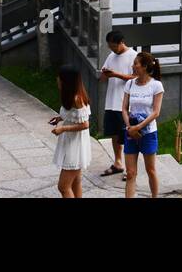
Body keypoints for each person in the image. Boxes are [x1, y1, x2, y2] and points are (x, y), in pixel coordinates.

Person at [121, 50, 164, 199]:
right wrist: (129, 127)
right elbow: (124, 108)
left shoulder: (156, 85)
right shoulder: (130, 83)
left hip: (149, 133)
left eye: (135, 64)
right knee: (131, 173)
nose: (133, 66)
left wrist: (138, 127)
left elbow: (156, 112)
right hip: (130, 132)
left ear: (144, 66)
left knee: (150, 170)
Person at [97, 30, 136, 180]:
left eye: (114, 46)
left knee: (127, 136)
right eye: (110, 46)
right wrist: (105, 74)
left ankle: (130, 168)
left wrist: (116, 75)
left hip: (125, 104)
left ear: (121, 42)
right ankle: (118, 162)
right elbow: (102, 78)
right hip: (111, 102)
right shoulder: (111, 56)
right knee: (114, 134)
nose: (112, 49)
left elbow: (136, 78)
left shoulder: (133, 56)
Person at [49, 64, 92, 198]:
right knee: (75, 182)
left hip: (75, 144)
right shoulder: (71, 96)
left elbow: (85, 124)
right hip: (71, 141)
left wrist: (63, 128)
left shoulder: (77, 99)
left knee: (63, 186)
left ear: (66, 81)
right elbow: (73, 116)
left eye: (59, 77)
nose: (57, 79)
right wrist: (59, 118)